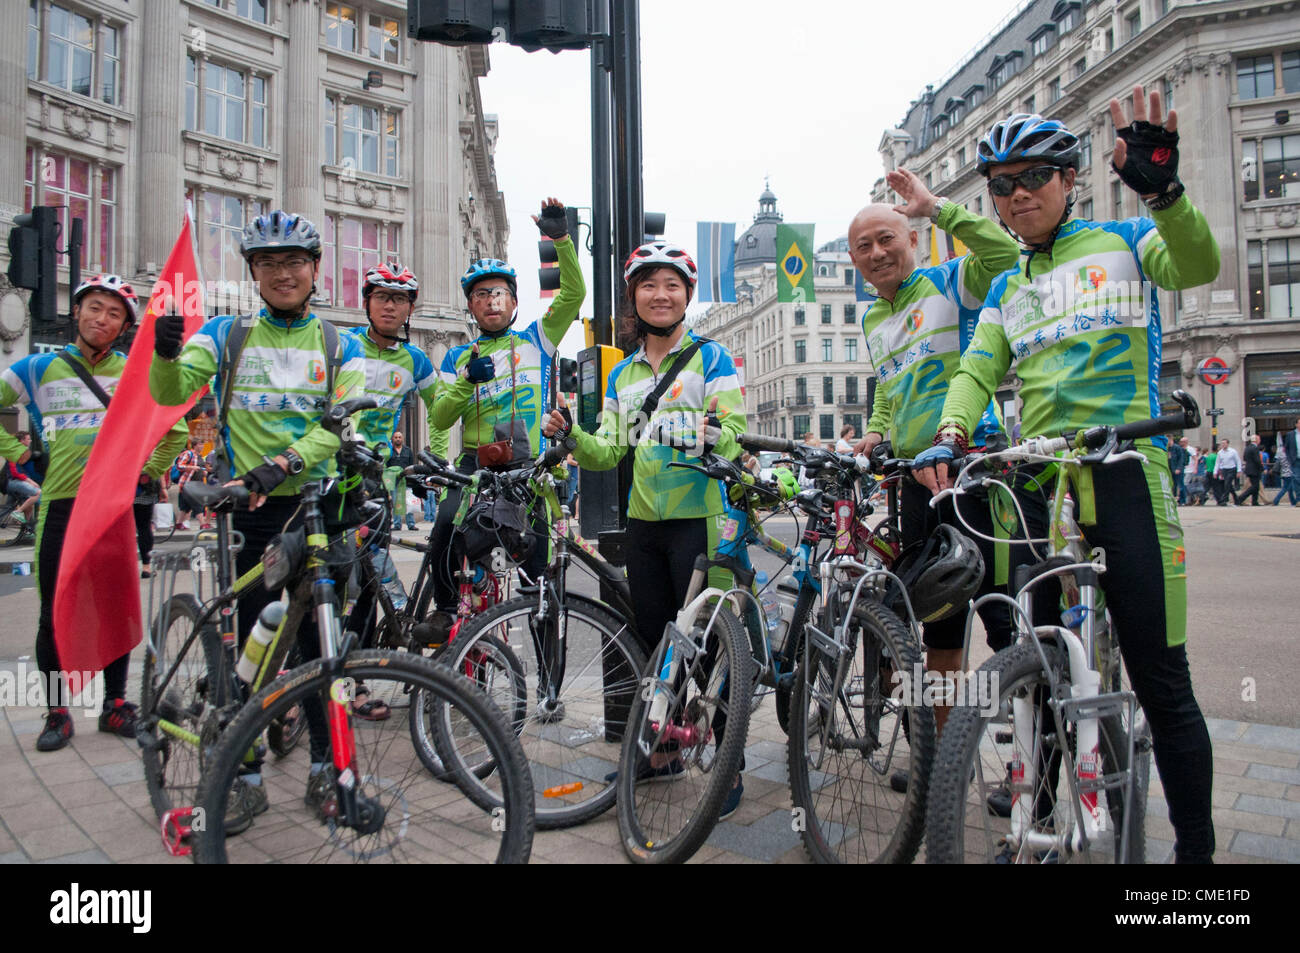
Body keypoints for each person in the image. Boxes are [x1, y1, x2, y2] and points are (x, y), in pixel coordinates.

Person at [913, 91, 1218, 863]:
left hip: (1125, 472)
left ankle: (1196, 861)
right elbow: (977, 368)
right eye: (1002, 186)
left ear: (1069, 178)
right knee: (1040, 668)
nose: (1017, 196)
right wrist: (951, 432)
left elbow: (1197, 262)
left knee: (1161, 678)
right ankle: (1040, 812)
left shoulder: (1125, 239)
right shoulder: (1007, 288)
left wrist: (1164, 192)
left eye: (1033, 177)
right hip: (1042, 487)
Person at [151, 210, 365, 821]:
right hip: (248, 513)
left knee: (322, 645)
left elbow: (337, 426)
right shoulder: (225, 335)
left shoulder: (338, 343)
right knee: (253, 646)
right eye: (268, 263)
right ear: (253, 273)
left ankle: (328, 768)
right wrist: (165, 355)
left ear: (316, 269)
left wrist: (282, 464)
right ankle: (242, 774)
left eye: (294, 261)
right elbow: (169, 394)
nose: (283, 273)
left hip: (316, 510)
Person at [542, 239, 749, 818]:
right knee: (660, 641)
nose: (662, 295)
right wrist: (570, 437)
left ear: (687, 295)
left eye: (673, 285)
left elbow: (736, 432)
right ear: (635, 296)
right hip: (644, 522)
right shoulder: (624, 375)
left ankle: (725, 763)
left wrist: (716, 435)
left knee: (709, 647)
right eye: (650, 286)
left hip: (701, 520)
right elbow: (608, 452)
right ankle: (662, 752)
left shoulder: (712, 358)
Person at [847, 166, 1021, 746]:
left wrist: (936, 206)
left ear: (912, 241)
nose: (877, 252)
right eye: (863, 246)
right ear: (854, 259)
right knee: (939, 626)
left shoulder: (953, 281)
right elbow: (889, 389)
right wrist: (875, 433)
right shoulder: (873, 318)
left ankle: (1032, 760)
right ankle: (945, 756)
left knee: (1002, 617)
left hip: (976, 466)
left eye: (887, 238)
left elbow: (1004, 255)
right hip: (913, 476)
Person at [1, 274, 188, 751]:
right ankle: (57, 713)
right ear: (77, 312)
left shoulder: (136, 371)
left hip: (113, 509)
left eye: (114, 314)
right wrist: (15, 454)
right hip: (60, 508)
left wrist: (145, 472)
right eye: (95, 308)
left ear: (125, 326)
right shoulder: (37, 367)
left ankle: (115, 706)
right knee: (51, 612)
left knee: (116, 606)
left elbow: (176, 429)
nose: (102, 319)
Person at [427, 197, 585, 638]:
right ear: (471, 306)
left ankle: (548, 681)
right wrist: (466, 382)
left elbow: (574, 294)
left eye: (499, 293)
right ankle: (443, 610)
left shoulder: (538, 337)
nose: (491, 301)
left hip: (528, 468)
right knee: (443, 527)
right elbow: (439, 418)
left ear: (514, 301)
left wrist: (560, 240)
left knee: (537, 579)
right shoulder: (459, 355)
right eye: (481, 294)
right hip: (476, 468)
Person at [133, 472, 162, 578]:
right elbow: (158, 467)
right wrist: (162, 489)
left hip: (124, 492)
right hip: (144, 495)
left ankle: (123, 567)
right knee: (144, 528)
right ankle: (146, 567)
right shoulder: (146, 455)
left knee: (122, 531)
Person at [1234, 435, 1262, 506]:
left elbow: (1244, 458)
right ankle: (1240, 498)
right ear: (1256, 440)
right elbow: (1257, 460)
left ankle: (1254, 501)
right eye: (1258, 439)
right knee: (1255, 487)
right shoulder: (1255, 448)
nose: (1260, 440)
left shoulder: (1247, 448)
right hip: (1254, 470)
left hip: (1249, 469)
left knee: (1256, 486)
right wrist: (1262, 468)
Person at [1278, 419, 1300, 506]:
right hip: (1295, 460)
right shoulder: (1290, 435)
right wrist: (1290, 458)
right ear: (1296, 424)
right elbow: (1286, 448)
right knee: (1297, 479)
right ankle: (1298, 498)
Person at [1214, 439, 1240, 506]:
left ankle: (1223, 499)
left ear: (1228, 444)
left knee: (1227, 483)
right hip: (1224, 470)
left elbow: (1238, 461)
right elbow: (1217, 463)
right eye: (1222, 443)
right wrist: (1215, 472)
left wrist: (1239, 470)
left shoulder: (1233, 451)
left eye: (1224, 443)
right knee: (1229, 486)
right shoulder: (1220, 453)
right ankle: (1236, 498)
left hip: (1232, 469)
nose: (1223, 445)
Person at [1170, 436, 1190, 505]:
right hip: (1171, 469)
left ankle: (1182, 500)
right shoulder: (1168, 448)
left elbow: (1181, 459)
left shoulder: (1178, 448)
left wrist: (1178, 468)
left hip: (1178, 470)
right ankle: (1175, 499)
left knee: (1180, 485)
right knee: (1173, 485)